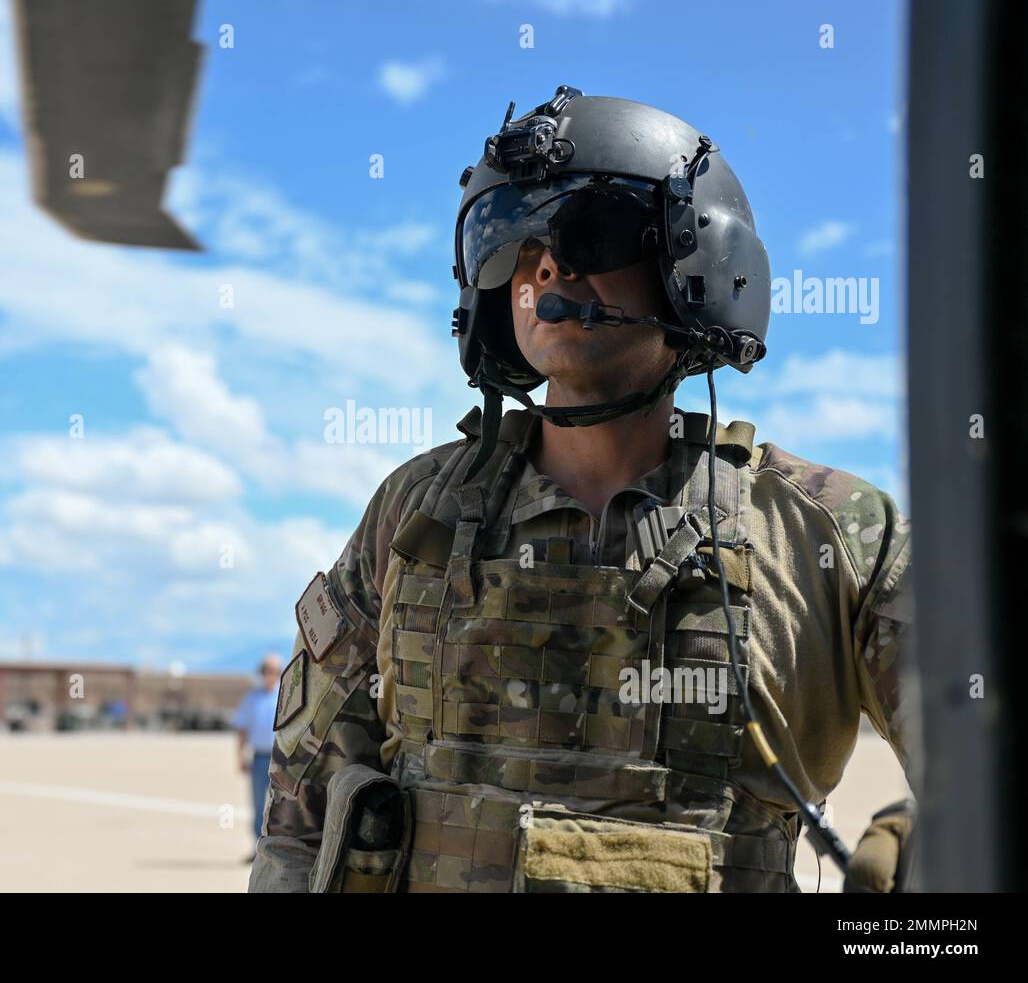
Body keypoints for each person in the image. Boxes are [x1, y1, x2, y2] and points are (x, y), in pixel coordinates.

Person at [250, 88, 915, 893]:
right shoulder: (413, 511)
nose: (548, 270)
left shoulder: (828, 534)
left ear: (697, 261)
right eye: (512, 245)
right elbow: (302, 800)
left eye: (588, 232)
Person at [232, 653, 283, 854]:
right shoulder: (252, 698)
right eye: (266, 670)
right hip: (259, 758)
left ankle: (277, 847)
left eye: (275, 671)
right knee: (258, 803)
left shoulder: (286, 695)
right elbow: (242, 729)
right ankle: (257, 848)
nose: (270, 675)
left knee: (280, 804)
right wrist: (240, 756)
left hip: (281, 759)